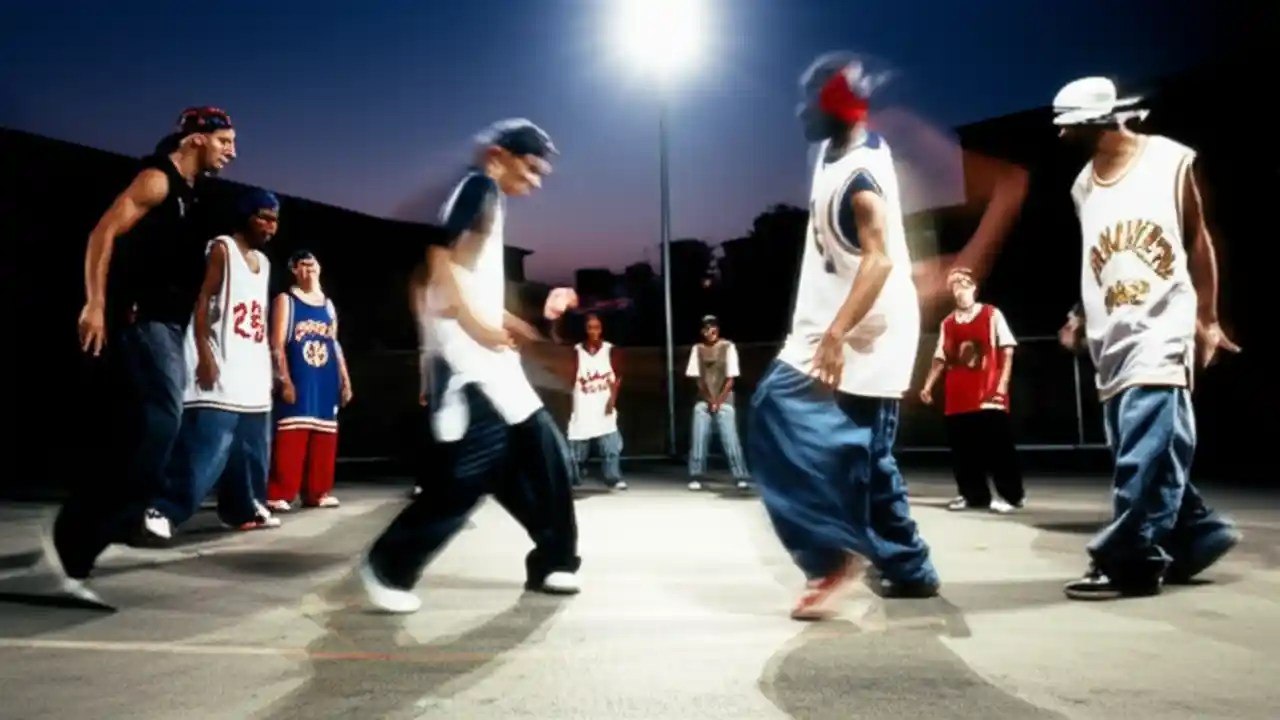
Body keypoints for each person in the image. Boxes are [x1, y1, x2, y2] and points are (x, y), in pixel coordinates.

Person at [360, 119, 583, 614]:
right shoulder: (478, 186)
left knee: (545, 457)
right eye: (530, 168)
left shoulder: (493, 201)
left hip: (493, 364)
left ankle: (555, 560)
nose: (536, 181)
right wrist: (476, 327)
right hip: (467, 364)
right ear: (499, 156)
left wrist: (511, 323)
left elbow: (466, 277)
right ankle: (389, 565)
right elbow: (438, 259)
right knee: (471, 472)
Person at [747, 53, 940, 621]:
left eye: (812, 104)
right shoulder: (830, 152)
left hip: (867, 331)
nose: (801, 112)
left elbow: (878, 261)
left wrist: (837, 333)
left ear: (836, 110)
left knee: (862, 455)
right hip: (827, 325)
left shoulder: (862, 178)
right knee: (791, 421)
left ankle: (843, 561)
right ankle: (903, 567)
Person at [1052, 76, 1242, 600]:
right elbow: (1101, 260)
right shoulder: (1082, 186)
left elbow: (1197, 240)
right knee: (1140, 444)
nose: (1060, 134)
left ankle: (1130, 557)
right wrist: (1081, 317)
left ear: (1097, 122)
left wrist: (1207, 318)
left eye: (1066, 125)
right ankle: (1197, 532)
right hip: (1114, 333)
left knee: (1147, 442)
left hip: (1164, 323)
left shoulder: (1168, 160)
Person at [49, 107, 236, 606]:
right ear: (195, 140)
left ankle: (77, 548)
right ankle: (100, 525)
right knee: (160, 424)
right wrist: (94, 303)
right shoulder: (157, 180)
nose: (231, 151)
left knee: (144, 430)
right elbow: (101, 234)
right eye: (224, 140)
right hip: (141, 318)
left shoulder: (194, 194)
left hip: (167, 325)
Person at [151, 189, 282, 533]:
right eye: (263, 218)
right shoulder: (223, 248)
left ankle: (243, 508)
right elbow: (203, 299)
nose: (271, 226)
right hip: (219, 359)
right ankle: (164, 510)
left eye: (275, 221)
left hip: (251, 364)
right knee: (206, 444)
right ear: (245, 217)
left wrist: (270, 365)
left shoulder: (265, 263)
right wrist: (204, 353)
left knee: (251, 448)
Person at [919, 268, 1025, 513]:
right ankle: (973, 494)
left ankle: (1011, 495)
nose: (960, 291)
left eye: (964, 285)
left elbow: (1007, 348)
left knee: (997, 445)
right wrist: (928, 385)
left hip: (987, 390)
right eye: (955, 287)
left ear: (974, 288)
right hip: (958, 392)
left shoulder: (991, 314)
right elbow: (940, 356)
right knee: (963, 448)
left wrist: (1003, 383)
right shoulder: (948, 323)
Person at [265, 250, 352, 512]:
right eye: (301, 265)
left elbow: (334, 344)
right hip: (300, 375)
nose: (308, 269)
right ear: (294, 270)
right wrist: (285, 379)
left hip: (325, 376)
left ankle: (318, 492)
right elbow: (277, 343)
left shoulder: (327, 305)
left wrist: (345, 380)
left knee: (325, 434)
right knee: (292, 434)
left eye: (312, 264)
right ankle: (280, 492)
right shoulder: (286, 301)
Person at [685, 315, 750, 491]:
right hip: (704, 399)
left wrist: (719, 401)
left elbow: (730, 379)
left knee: (730, 439)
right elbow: (698, 379)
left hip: (724, 399)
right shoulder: (697, 349)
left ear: (718, 329)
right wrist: (709, 400)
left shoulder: (728, 347)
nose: (710, 332)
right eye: (706, 328)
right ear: (702, 331)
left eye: (713, 328)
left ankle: (740, 475)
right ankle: (696, 475)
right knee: (699, 437)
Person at [566, 313, 626, 490]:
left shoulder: (610, 350)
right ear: (585, 329)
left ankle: (613, 477)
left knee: (611, 444)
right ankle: (573, 478)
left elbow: (617, 379)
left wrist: (611, 401)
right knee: (577, 447)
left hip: (603, 404)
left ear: (602, 329)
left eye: (597, 327)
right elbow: (570, 378)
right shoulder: (576, 352)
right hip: (583, 404)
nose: (593, 331)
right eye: (590, 327)